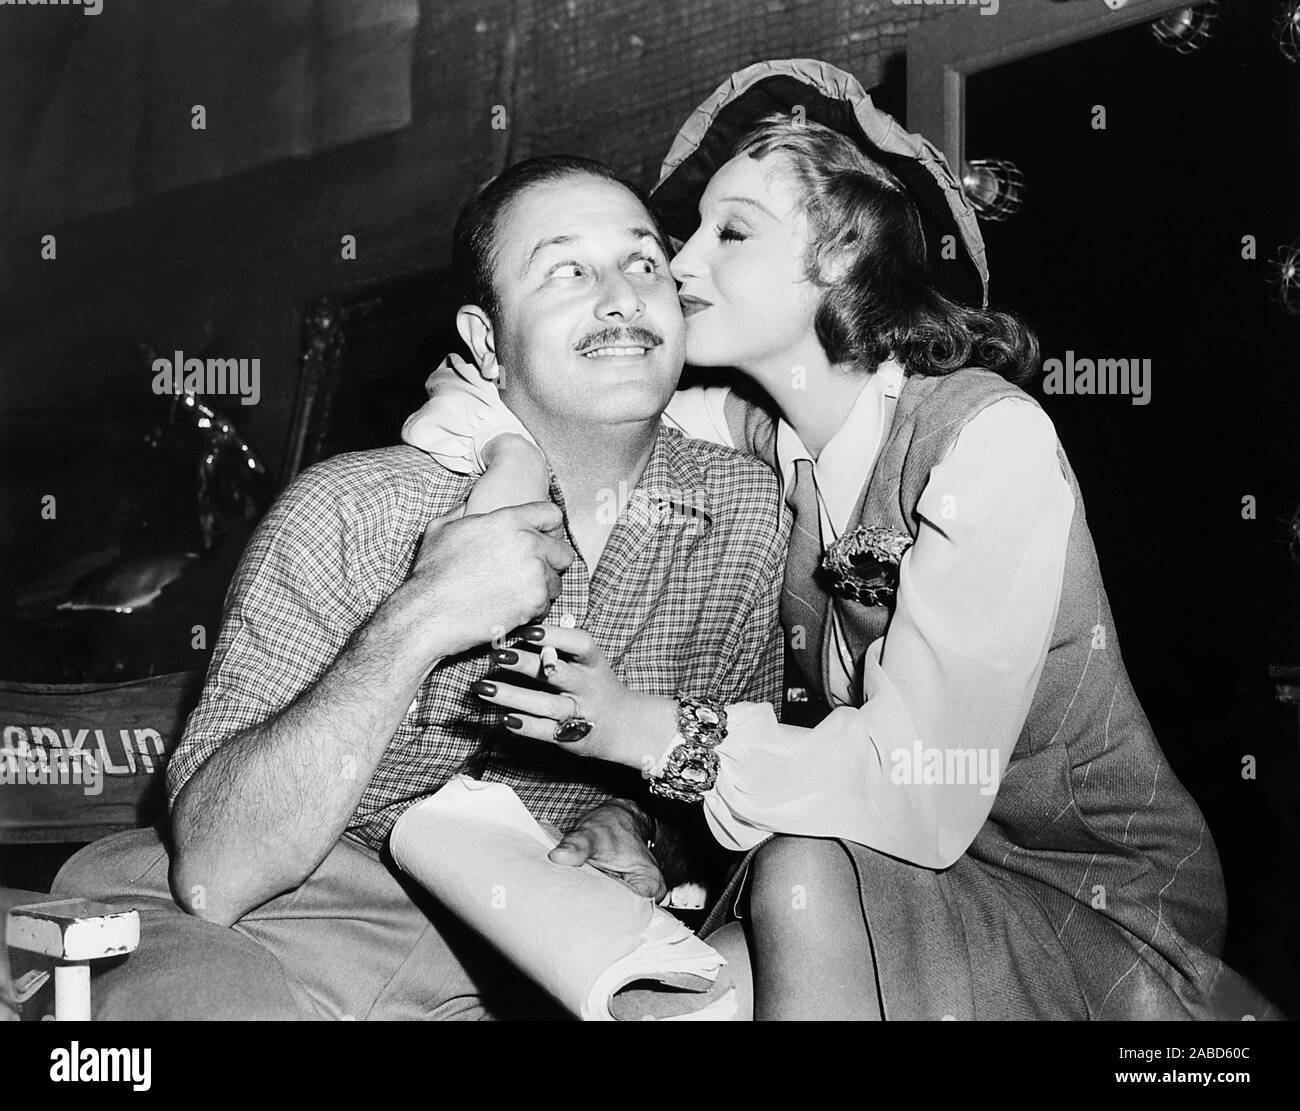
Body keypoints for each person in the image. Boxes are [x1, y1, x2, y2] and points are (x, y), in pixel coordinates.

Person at [405, 60, 1277, 1021]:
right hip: (899, 882)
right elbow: (499, 380)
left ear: (846, 257)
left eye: (729, 233)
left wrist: (640, 728)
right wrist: (511, 461)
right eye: (687, 235)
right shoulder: (768, 438)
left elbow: (919, 790)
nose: (682, 265)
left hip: (1088, 911)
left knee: (798, 871)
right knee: (652, 1004)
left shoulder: (990, 440)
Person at [48, 154, 788, 1021]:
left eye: (644, 262)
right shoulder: (348, 509)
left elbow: (743, 795)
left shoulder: (739, 514)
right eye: (567, 271)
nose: (622, 296)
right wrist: (423, 612)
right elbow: (218, 873)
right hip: (283, 928)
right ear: (485, 340)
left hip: (532, 951)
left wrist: (649, 836)